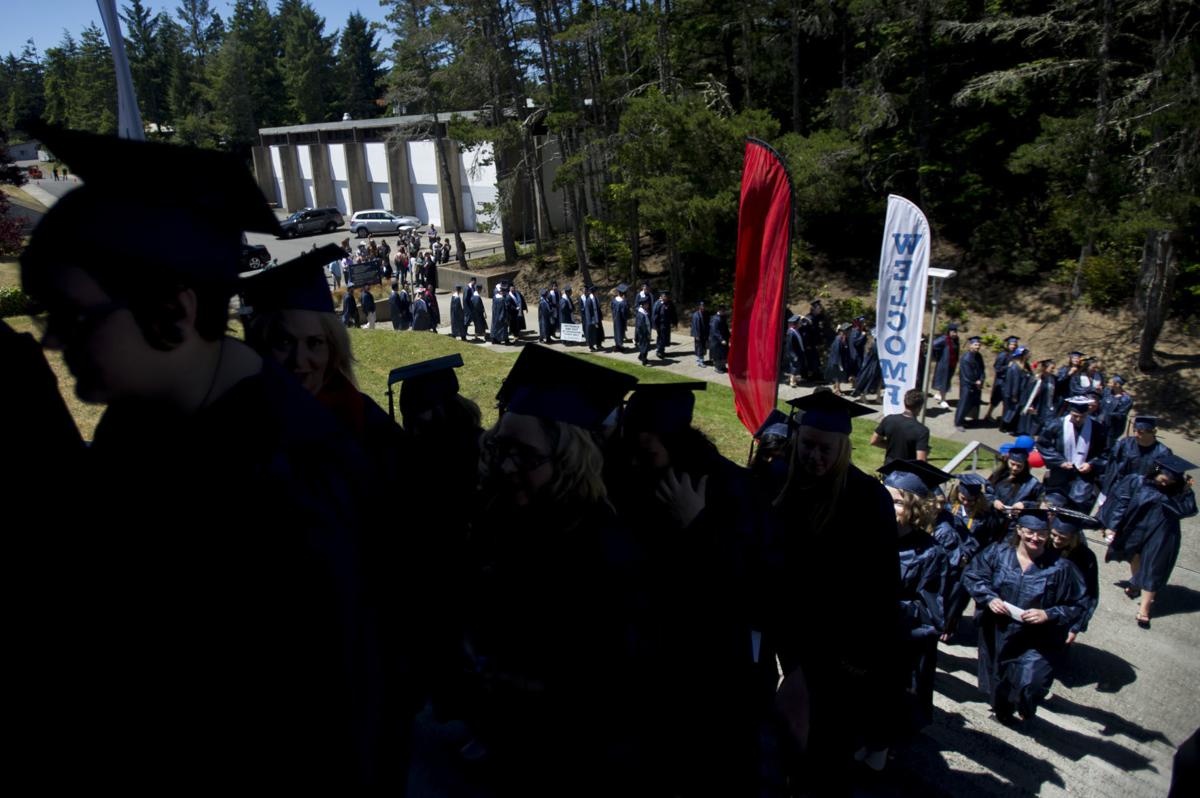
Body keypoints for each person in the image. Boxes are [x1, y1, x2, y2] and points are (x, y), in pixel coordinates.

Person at [18, 124, 387, 785]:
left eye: (72, 317)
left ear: (172, 311)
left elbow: (320, 731)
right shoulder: (140, 424)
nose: (50, 342)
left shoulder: (292, 482)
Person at [462, 345, 647, 793]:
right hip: (507, 745)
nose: (506, 466)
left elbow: (619, 688)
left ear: (569, 458)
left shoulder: (606, 553)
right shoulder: (504, 517)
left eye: (526, 456)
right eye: (501, 447)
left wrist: (527, 685)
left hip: (576, 762)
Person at [606, 382, 776, 793]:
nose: (642, 447)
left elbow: (754, 584)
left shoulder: (731, 486)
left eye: (653, 437)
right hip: (639, 655)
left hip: (705, 662)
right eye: (636, 435)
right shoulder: (625, 474)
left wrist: (696, 525)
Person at [765, 390, 902, 791]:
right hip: (781, 621)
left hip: (834, 636)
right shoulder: (778, 478)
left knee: (819, 732)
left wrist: (861, 652)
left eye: (826, 448)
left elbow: (880, 584)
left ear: (843, 447)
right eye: (807, 444)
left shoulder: (866, 497)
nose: (815, 456)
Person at [963, 508, 1087, 723]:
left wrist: (1047, 614)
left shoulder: (1061, 568)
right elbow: (973, 575)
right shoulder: (997, 553)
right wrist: (989, 598)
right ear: (1019, 530)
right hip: (998, 631)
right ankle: (1002, 711)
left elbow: (1077, 603)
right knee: (998, 675)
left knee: (1032, 681)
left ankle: (1026, 704)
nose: (1035, 538)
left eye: (1041, 533)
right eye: (1030, 531)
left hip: (1037, 638)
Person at [878, 460, 951, 749]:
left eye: (896, 502)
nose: (886, 506)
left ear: (914, 507)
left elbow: (933, 615)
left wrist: (888, 605)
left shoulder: (930, 554)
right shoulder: (868, 536)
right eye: (883, 497)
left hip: (898, 648)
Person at [1103, 453, 1198, 628]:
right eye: (1162, 479)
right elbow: (1120, 502)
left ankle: (1144, 609)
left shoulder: (1178, 490)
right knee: (1135, 556)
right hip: (1137, 526)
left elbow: (1189, 510)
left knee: (1154, 567)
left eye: (1168, 482)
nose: (1163, 484)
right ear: (1156, 471)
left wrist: (1185, 492)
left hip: (1163, 533)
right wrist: (1112, 526)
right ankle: (1136, 582)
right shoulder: (1138, 481)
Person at [1037, 395, 1109, 512]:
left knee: (1077, 505)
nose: (1078, 420)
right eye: (1075, 416)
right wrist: (1059, 461)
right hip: (1060, 472)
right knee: (1054, 502)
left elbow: (1105, 451)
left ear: (1088, 413)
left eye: (1083, 416)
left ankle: (1069, 529)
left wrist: (1091, 464)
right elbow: (1043, 443)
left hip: (1083, 474)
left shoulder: (1097, 428)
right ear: (1070, 412)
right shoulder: (1057, 424)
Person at [1047, 511, 1100, 645]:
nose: (1057, 541)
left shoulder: (1085, 558)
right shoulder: (1043, 545)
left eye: (1063, 538)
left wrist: (1076, 627)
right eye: (1053, 534)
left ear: (1074, 537)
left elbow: (1090, 594)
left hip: (1063, 611)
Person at [1098, 415, 1171, 507]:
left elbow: (1164, 474)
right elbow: (1112, 470)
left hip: (1144, 497)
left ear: (1153, 432)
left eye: (1141, 432)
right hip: (1119, 492)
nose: (1136, 434)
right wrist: (1105, 493)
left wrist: (1157, 473)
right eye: (1134, 431)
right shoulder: (1124, 444)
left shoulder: (1163, 453)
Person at [871, 388, 930, 464]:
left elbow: (874, 441)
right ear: (920, 407)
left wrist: (893, 446)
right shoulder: (922, 431)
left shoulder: (889, 419)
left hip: (888, 468)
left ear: (904, 402)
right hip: (908, 471)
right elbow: (921, 461)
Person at [991, 445, 1043, 510]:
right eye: (1012, 464)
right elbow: (987, 493)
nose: (1015, 468)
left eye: (1019, 466)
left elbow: (1040, 503)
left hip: (1018, 517)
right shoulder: (998, 476)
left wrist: (1025, 504)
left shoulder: (1032, 483)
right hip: (995, 515)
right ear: (1007, 461)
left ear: (1025, 465)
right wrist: (994, 501)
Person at [1017, 357, 1057, 437]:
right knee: (1031, 427)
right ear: (1045, 368)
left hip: (1045, 406)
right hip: (1035, 407)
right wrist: (1030, 406)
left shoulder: (1051, 379)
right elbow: (1029, 394)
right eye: (1051, 368)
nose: (1053, 370)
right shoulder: (1037, 379)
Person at [955, 335, 986, 431]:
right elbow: (966, 375)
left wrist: (981, 379)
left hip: (976, 385)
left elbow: (982, 369)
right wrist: (975, 382)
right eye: (975, 345)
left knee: (970, 404)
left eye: (979, 345)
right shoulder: (966, 358)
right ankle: (958, 423)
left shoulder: (979, 356)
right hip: (967, 386)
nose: (978, 347)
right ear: (970, 346)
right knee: (963, 403)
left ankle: (963, 419)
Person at [984, 336, 1019, 420]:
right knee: (996, 399)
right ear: (1007, 345)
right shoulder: (1003, 355)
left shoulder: (1015, 355)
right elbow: (997, 368)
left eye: (1014, 344)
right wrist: (1007, 367)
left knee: (1006, 401)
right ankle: (988, 414)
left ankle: (1004, 417)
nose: (1013, 346)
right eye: (1011, 344)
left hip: (1009, 381)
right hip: (1001, 381)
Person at [999, 346, 1032, 433]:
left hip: (1020, 392)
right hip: (1011, 393)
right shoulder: (1015, 367)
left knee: (1014, 411)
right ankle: (1004, 427)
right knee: (1009, 411)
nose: (1030, 355)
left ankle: (1010, 427)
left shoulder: (1025, 365)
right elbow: (1015, 382)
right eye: (1028, 353)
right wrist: (1014, 395)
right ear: (1023, 355)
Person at [930, 323, 959, 409]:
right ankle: (943, 400)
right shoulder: (944, 339)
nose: (955, 333)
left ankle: (939, 394)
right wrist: (937, 355)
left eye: (956, 332)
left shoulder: (955, 340)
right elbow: (934, 344)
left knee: (946, 380)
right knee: (944, 381)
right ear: (949, 332)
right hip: (944, 364)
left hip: (951, 364)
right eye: (953, 332)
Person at [1098, 375, 1133, 442]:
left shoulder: (1126, 399)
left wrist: (1107, 415)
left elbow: (1121, 414)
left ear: (1117, 384)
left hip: (1113, 428)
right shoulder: (1107, 392)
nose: (1108, 384)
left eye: (1110, 383)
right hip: (1100, 424)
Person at [824, 322, 853, 395]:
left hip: (841, 360)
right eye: (849, 330)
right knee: (837, 375)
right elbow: (837, 352)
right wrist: (839, 363)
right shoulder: (838, 339)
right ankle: (837, 390)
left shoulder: (844, 338)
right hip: (836, 361)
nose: (851, 331)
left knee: (839, 375)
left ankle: (838, 388)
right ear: (845, 331)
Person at [852, 332, 882, 401]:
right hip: (872, 366)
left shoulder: (870, 343)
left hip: (874, 365)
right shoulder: (872, 344)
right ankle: (870, 397)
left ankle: (876, 397)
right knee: (869, 381)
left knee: (873, 381)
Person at [652, 290, 677, 359]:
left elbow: (673, 313)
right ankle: (659, 351)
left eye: (667, 296)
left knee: (665, 338)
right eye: (665, 296)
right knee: (661, 338)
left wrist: (674, 322)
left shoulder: (669, 303)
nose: (666, 298)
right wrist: (655, 326)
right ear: (661, 296)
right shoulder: (658, 304)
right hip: (660, 324)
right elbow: (655, 315)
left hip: (667, 324)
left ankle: (662, 350)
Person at [581, 284, 604, 351]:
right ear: (594, 291)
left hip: (597, 319)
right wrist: (592, 321)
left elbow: (598, 308)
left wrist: (600, 316)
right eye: (597, 291)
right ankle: (591, 347)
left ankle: (598, 345)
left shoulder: (595, 298)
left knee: (598, 333)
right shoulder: (589, 300)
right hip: (592, 321)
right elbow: (588, 312)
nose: (598, 292)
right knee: (591, 334)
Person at [708, 305, 730, 374]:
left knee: (723, 354)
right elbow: (715, 331)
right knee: (718, 355)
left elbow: (726, 328)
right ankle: (717, 368)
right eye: (723, 311)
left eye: (724, 311)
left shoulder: (723, 318)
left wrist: (729, 336)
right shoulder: (715, 319)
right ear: (719, 311)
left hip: (723, 340)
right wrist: (721, 339)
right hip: (716, 341)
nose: (724, 312)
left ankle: (723, 367)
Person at [785, 315, 805, 387]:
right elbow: (789, 346)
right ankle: (792, 382)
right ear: (795, 324)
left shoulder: (796, 331)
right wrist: (793, 355)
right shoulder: (791, 332)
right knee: (794, 366)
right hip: (794, 353)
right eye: (799, 322)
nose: (801, 323)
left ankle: (793, 379)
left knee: (796, 366)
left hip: (798, 352)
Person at [610, 283, 630, 351]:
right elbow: (625, 312)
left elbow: (612, 309)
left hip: (615, 319)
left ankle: (617, 345)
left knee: (616, 332)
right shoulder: (623, 302)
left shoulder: (614, 300)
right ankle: (620, 346)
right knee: (621, 332)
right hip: (621, 320)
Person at [690, 300, 708, 367]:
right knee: (699, 347)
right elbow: (694, 326)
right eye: (702, 306)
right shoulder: (696, 315)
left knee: (703, 347)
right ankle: (701, 362)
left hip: (704, 334)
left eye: (704, 306)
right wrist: (696, 335)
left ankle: (699, 359)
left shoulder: (705, 313)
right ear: (699, 306)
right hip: (698, 335)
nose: (703, 307)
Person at [635, 294, 652, 365]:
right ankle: (644, 360)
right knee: (644, 347)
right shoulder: (641, 314)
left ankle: (640, 356)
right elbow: (639, 326)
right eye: (647, 304)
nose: (648, 305)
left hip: (646, 333)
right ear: (643, 305)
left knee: (645, 346)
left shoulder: (645, 312)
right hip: (643, 334)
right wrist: (645, 334)